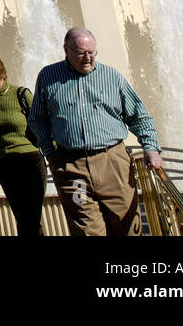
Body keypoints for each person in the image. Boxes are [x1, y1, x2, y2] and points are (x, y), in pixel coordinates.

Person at [28, 27, 163, 236]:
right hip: (72, 169)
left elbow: (139, 115)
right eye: (81, 53)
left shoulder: (111, 77)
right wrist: (51, 154)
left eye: (92, 52)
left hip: (113, 164)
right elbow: (36, 119)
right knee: (86, 231)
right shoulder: (48, 76)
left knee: (126, 227)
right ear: (66, 50)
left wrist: (150, 148)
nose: (88, 58)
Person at [0, 51, 45, 236]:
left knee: (32, 216)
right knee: (21, 216)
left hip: (30, 160)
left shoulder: (21, 94)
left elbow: (41, 121)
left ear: (3, 75)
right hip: (6, 163)